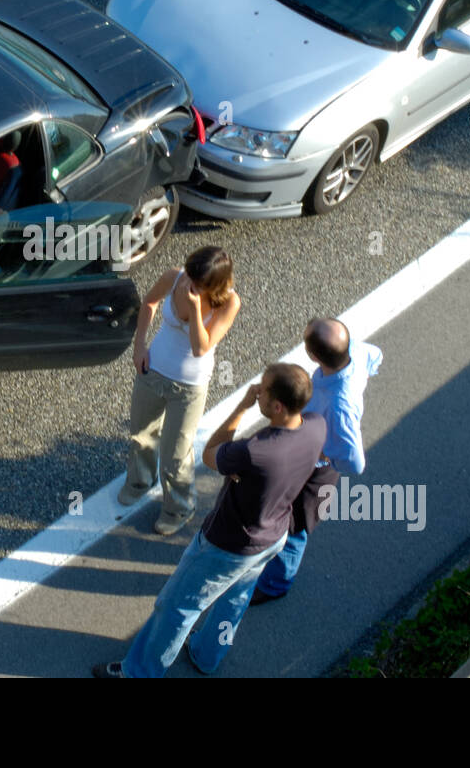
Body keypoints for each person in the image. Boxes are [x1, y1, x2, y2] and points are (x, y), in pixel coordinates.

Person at [94, 363, 326, 677]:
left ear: (277, 405)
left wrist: (242, 408)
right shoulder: (316, 425)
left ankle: (140, 672)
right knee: (235, 600)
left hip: (228, 545)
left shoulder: (255, 452)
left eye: (263, 388)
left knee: (176, 607)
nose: (257, 390)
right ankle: (207, 656)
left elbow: (211, 452)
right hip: (273, 537)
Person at [250, 318, 383, 604]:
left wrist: (324, 456)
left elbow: (355, 462)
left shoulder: (339, 405)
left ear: (313, 356)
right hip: (305, 453)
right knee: (282, 515)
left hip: (315, 471)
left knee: (294, 526)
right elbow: (376, 356)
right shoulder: (355, 352)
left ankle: (276, 584)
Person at [119, 246, 240, 535]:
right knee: (141, 433)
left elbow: (201, 347)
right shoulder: (175, 277)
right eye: (189, 276)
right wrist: (139, 346)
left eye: (198, 283)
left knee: (176, 453)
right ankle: (139, 481)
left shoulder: (229, 303)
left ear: (216, 285)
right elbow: (149, 302)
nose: (188, 284)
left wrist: (197, 309)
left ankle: (179, 508)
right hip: (152, 371)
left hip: (189, 386)